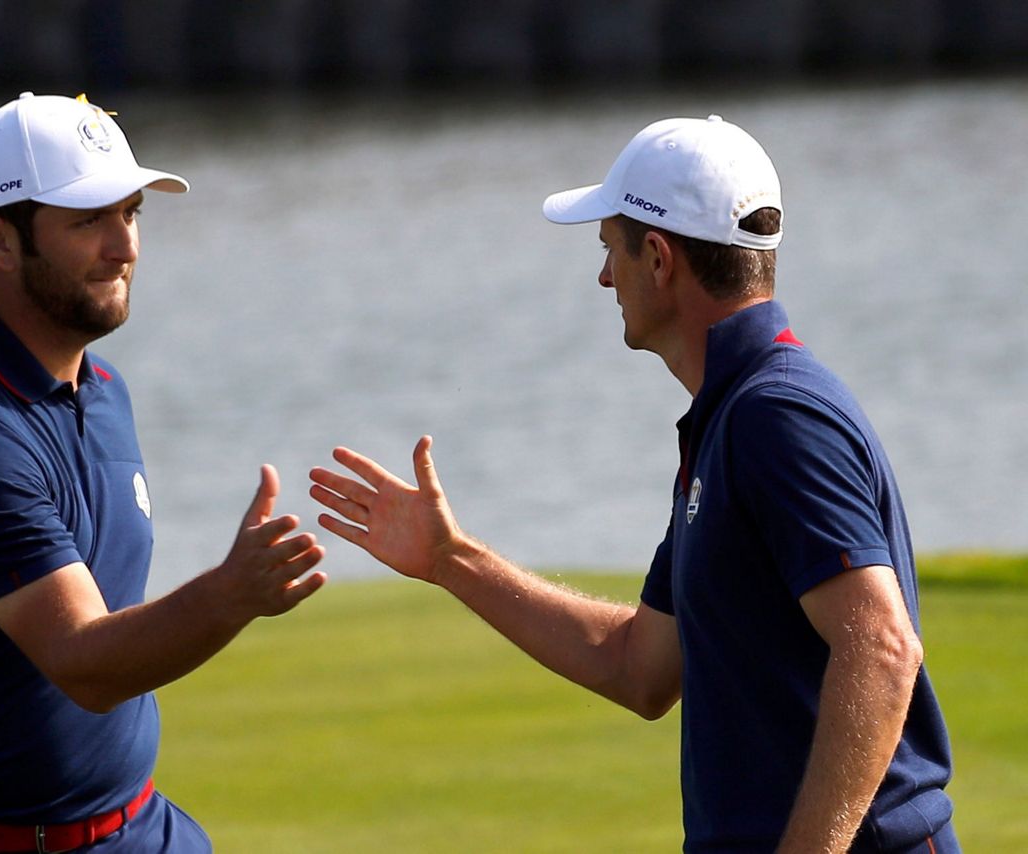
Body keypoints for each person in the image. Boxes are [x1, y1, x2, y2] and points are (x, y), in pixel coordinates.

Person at [309, 115, 957, 852]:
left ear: (657, 257)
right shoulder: (730, 420)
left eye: (610, 249)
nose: (604, 277)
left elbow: (878, 646)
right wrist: (450, 559)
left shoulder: (775, 416)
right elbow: (639, 668)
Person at [0, 92, 326, 853]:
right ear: (0, 241)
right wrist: (229, 595)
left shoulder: (105, 391)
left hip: (130, 829)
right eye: (89, 221)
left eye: (131, 213)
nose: (125, 246)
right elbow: (84, 661)